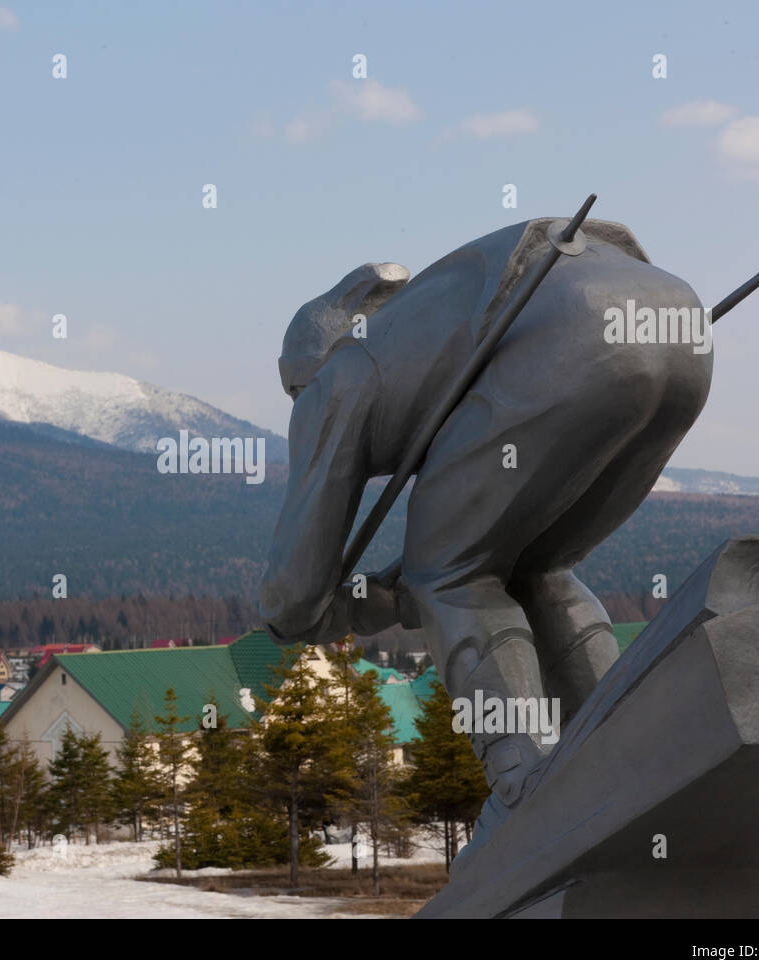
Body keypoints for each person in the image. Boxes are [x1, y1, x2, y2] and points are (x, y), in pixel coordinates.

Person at [260, 217, 713, 844]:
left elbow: (295, 585)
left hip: (573, 336)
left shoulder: (338, 373)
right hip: (678, 325)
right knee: (535, 569)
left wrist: (325, 611)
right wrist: (393, 593)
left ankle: (523, 775)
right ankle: (626, 746)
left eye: (294, 393)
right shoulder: (419, 323)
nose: (299, 409)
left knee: (452, 574)